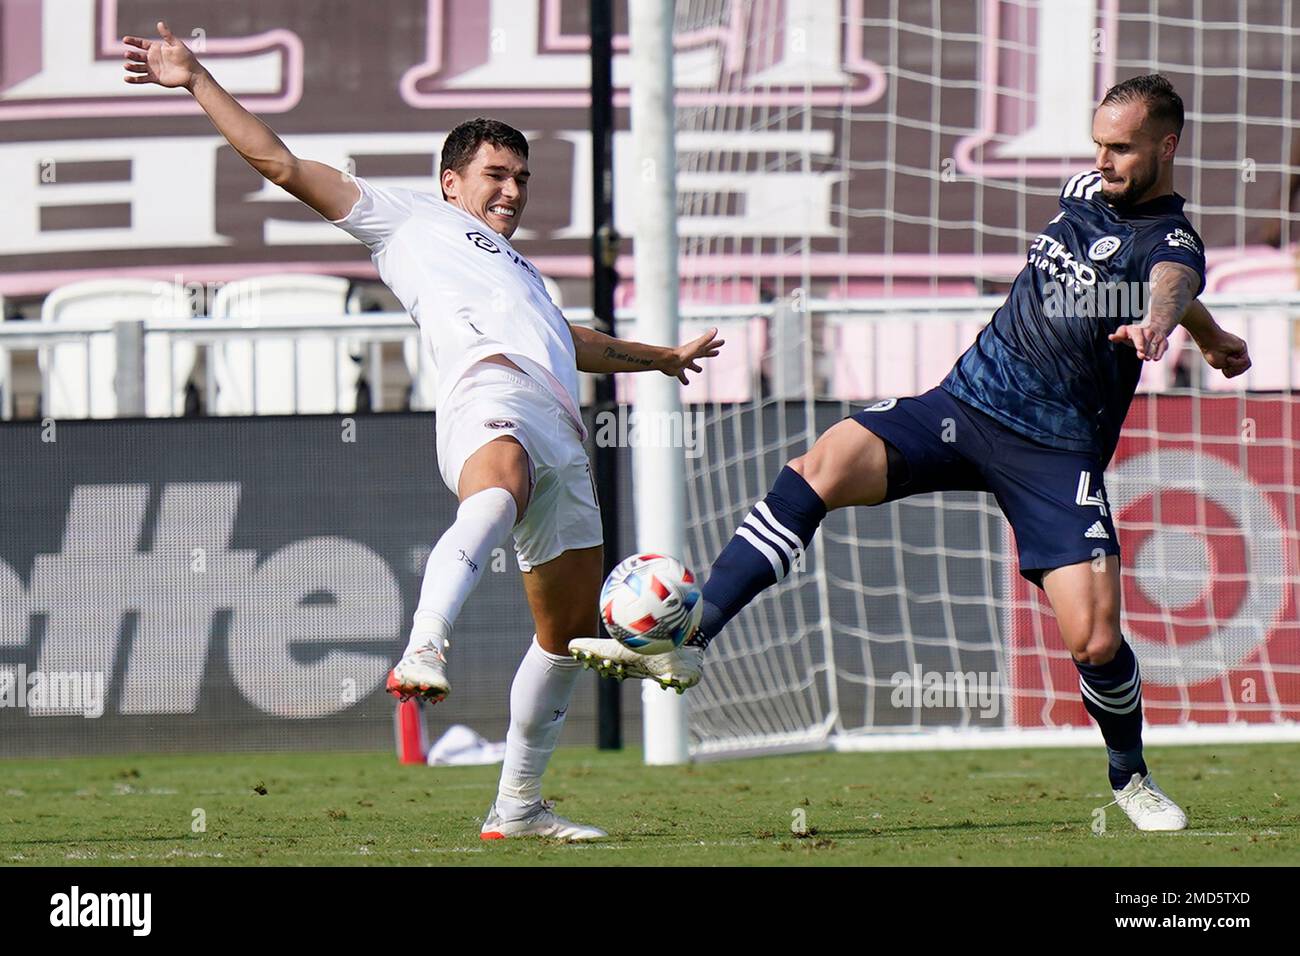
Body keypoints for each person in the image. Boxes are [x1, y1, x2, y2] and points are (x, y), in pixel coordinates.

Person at [573, 75, 1252, 832]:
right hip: (962, 404)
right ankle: (693, 640)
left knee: (1094, 640)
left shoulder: (1174, 240)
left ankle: (1130, 778)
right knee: (819, 467)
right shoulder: (1084, 189)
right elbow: (1139, 269)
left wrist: (1165, 323)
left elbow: (1168, 276)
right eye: (1098, 141)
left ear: (1168, 145)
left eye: (1122, 147)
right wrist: (1212, 334)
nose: (1104, 159)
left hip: (1056, 452)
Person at [124, 21, 721, 841]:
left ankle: (517, 806)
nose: (511, 190)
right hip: (490, 395)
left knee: (564, 632)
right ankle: (426, 644)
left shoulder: (524, 271)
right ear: (450, 182)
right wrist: (194, 79)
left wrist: (657, 358)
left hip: (565, 433)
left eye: (521, 178)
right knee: (498, 481)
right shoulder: (406, 218)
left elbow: (568, 338)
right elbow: (281, 164)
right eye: (495, 175)